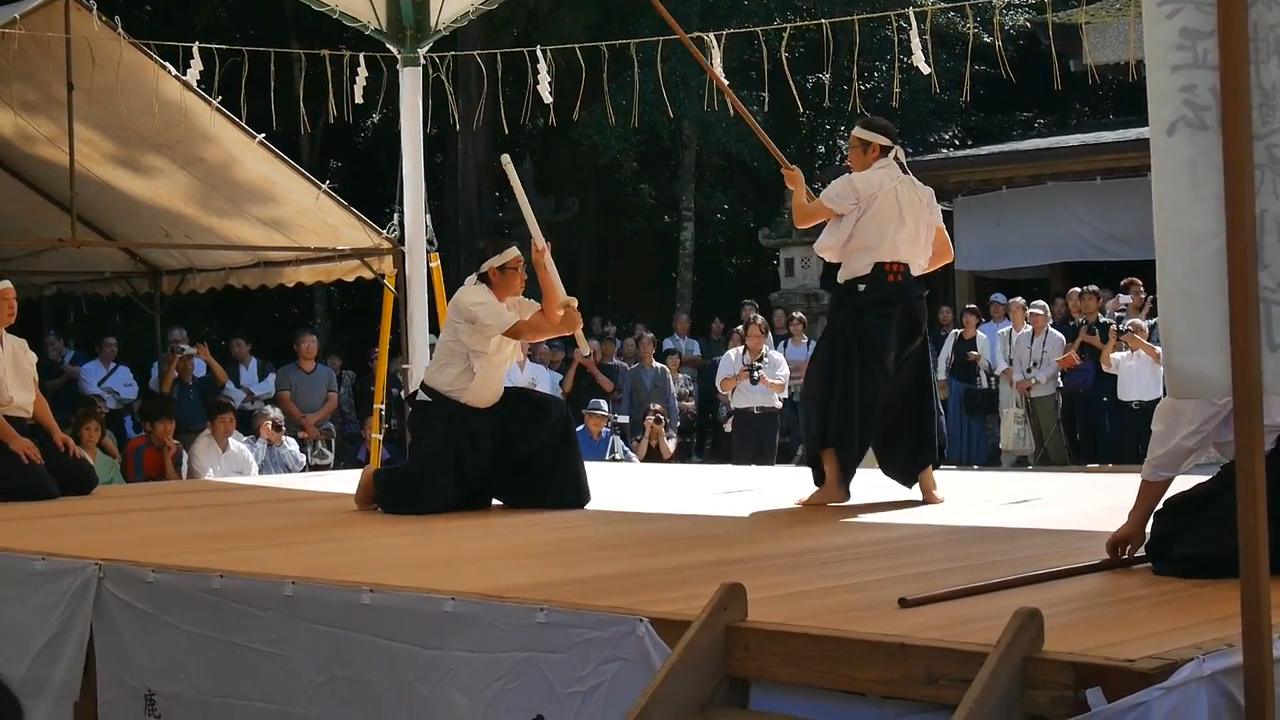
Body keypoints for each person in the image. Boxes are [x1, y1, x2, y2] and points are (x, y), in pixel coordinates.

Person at [782, 116, 953, 505]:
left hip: (865, 300)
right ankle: (928, 485)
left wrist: (798, 188)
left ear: (874, 150)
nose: (848, 157)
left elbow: (804, 217)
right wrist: (901, 269)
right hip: (909, 301)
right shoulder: (921, 191)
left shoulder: (858, 184)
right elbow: (944, 254)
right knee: (907, 388)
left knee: (827, 386)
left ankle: (834, 483)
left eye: (853, 149)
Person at [354, 238, 591, 514]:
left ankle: (554, 492)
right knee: (432, 494)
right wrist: (565, 328)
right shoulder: (471, 298)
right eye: (519, 269)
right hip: (445, 412)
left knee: (550, 413)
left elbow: (550, 315)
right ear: (494, 272)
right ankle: (376, 480)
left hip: (489, 410)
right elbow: (522, 332)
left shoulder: (511, 303)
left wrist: (542, 268)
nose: (523, 276)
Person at [1106, 396, 1280, 578]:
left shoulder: (1206, 370)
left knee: (1170, 537)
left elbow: (1176, 440)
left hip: (1268, 471)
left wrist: (1136, 521)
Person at [0, 280, 99, 502]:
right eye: (5, 300)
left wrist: (56, 432)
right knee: (42, 489)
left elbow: (34, 395)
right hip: (4, 431)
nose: (12, 305)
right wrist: (13, 439)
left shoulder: (20, 346)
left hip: (24, 425)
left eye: (14, 299)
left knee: (84, 477)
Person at [716, 314, 790, 466]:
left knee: (767, 467)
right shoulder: (732, 356)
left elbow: (782, 386)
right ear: (745, 336)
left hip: (769, 417)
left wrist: (768, 382)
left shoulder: (776, 358)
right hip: (744, 417)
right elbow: (722, 386)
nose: (756, 340)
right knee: (741, 466)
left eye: (761, 336)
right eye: (752, 336)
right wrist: (738, 378)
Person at [122, 395, 187, 482]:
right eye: (161, 423)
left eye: (171, 423)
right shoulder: (136, 447)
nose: (167, 428)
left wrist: (167, 459)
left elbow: (177, 486)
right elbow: (136, 486)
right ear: (149, 426)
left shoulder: (176, 448)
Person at [187, 398, 258, 478]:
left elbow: (253, 477)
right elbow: (208, 483)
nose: (228, 427)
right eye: (222, 421)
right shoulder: (199, 449)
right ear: (210, 425)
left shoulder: (241, 449)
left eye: (231, 421)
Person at [245, 405, 308, 475]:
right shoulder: (249, 442)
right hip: (260, 484)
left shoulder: (289, 441)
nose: (270, 430)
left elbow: (298, 467)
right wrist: (262, 440)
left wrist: (281, 444)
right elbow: (250, 467)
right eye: (266, 426)